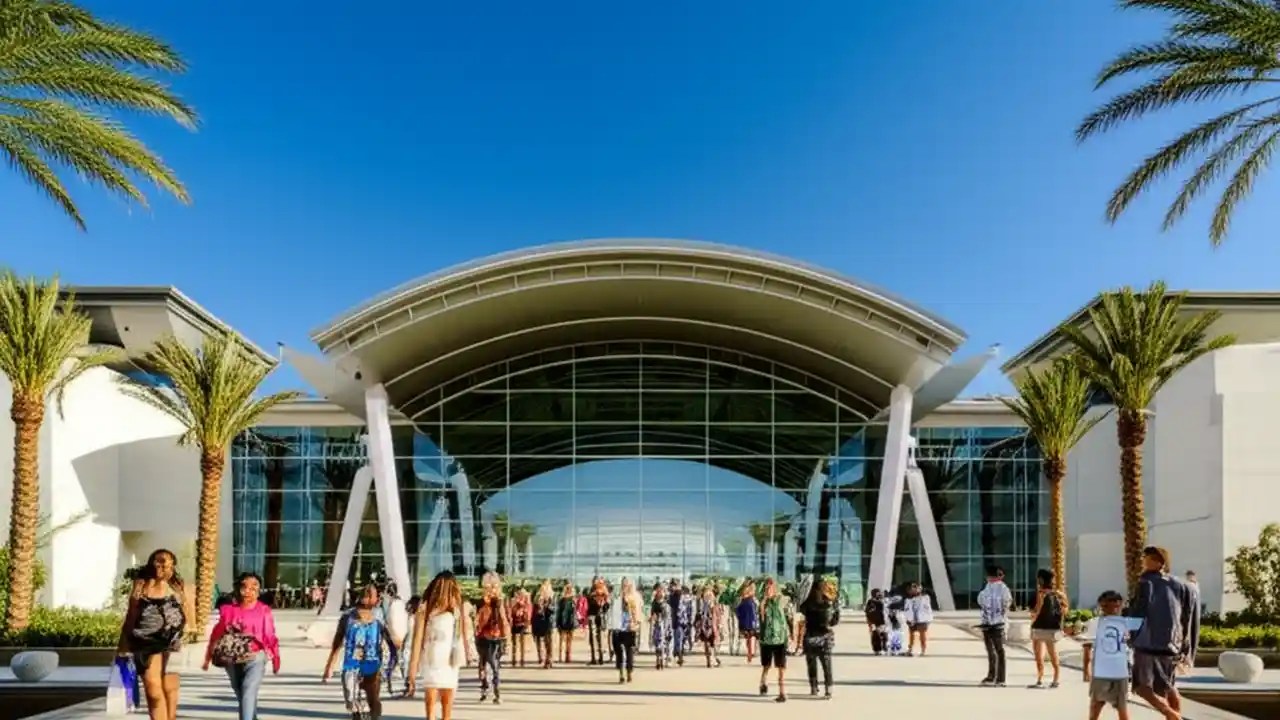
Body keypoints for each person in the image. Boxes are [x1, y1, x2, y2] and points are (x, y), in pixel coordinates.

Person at [118, 549, 194, 720]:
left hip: (172, 642)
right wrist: (123, 645)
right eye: (158, 562)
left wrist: (188, 636)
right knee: (153, 690)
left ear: (173, 566)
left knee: (168, 687)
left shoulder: (179, 586)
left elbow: (190, 617)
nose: (161, 566)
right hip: (144, 641)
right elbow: (131, 616)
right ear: (151, 563)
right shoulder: (140, 585)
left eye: (166, 563)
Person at [1129, 546, 1196, 720]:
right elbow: (1187, 617)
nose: (1144, 561)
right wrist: (1184, 644)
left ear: (1160, 562)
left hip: (1147, 643)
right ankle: (1174, 715)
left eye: (1147, 558)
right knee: (1168, 686)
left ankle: (1171, 714)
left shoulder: (1146, 582)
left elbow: (1138, 611)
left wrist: (1130, 634)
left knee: (1142, 688)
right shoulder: (1182, 585)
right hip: (1172, 644)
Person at [204, 572, 281, 720]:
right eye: (244, 587)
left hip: (255, 656)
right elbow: (217, 633)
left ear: (259, 592)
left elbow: (270, 635)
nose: (248, 591)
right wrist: (208, 656)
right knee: (241, 691)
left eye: (254, 588)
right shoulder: (227, 610)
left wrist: (276, 657)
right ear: (238, 588)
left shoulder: (264, 610)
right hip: (231, 657)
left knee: (248, 689)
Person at [322, 584, 398, 720]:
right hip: (351, 663)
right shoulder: (348, 617)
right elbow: (337, 641)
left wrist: (392, 661)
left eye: (371, 595)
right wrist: (330, 665)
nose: (368, 598)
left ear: (376, 599)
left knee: (372, 698)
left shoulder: (379, 617)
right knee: (351, 698)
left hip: (373, 663)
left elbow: (390, 641)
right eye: (366, 594)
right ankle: (357, 713)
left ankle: (374, 713)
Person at [406, 571, 472, 720]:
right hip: (439, 660)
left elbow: (417, 640)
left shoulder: (454, 610)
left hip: (445, 660)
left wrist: (412, 669)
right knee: (444, 707)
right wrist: (412, 669)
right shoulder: (427, 609)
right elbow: (418, 639)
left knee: (436, 706)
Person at [1083, 590, 1132, 720]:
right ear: (1102, 605)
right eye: (1110, 602)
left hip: (1120, 671)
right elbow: (1087, 646)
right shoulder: (1095, 623)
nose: (1114, 605)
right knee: (1096, 705)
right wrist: (1086, 670)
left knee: (1122, 707)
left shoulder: (1127, 623)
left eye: (1116, 601)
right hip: (1101, 672)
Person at [794, 576, 837, 699]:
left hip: (810, 636)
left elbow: (801, 613)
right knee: (827, 664)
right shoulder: (827, 604)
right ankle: (828, 689)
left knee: (811, 664)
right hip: (825, 637)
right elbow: (833, 622)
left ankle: (814, 687)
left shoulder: (807, 603)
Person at [473, 572, 510, 703]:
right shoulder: (480, 603)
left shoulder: (499, 602)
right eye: (488, 587)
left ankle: (496, 690)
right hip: (483, 637)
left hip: (496, 637)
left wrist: (506, 638)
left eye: (494, 586)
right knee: (483, 664)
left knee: (495, 665)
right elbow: (477, 620)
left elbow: (504, 620)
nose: (491, 590)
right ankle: (485, 687)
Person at [1029, 568, 1067, 689]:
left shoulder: (1040, 594)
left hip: (1039, 627)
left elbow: (1036, 611)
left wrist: (1033, 615)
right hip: (1052, 628)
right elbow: (1065, 610)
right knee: (1053, 653)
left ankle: (1040, 679)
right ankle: (1056, 678)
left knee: (1038, 654)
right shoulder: (1059, 594)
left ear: (1040, 579)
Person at [756, 577, 793, 702]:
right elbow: (761, 616)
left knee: (781, 667)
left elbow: (789, 617)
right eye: (766, 588)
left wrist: (792, 634)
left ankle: (782, 692)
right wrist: (765, 598)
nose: (768, 590)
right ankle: (763, 682)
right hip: (766, 640)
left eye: (770, 588)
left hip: (780, 639)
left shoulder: (781, 601)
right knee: (766, 665)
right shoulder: (763, 604)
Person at [976, 566, 1012, 687]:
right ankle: (1000, 678)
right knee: (999, 651)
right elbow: (1007, 603)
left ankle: (993, 676)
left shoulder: (986, 589)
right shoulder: (1004, 589)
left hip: (987, 623)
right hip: (999, 623)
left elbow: (980, 601)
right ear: (1000, 576)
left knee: (992, 651)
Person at [608, 577, 644, 682]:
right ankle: (621, 671)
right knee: (618, 649)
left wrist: (636, 622)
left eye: (627, 585)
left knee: (629, 651)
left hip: (630, 627)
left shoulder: (635, 597)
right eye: (624, 584)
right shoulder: (617, 596)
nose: (625, 586)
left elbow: (638, 611)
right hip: (617, 627)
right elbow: (612, 609)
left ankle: (628, 671)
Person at [695, 584, 723, 668]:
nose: (708, 595)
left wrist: (720, 624)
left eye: (710, 593)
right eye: (706, 593)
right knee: (706, 644)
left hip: (714, 626)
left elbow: (719, 615)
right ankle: (709, 660)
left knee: (714, 644)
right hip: (704, 626)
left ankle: (715, 657)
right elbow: (698, 615)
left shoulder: (715, 604)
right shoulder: (701, 604)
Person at [904, 582, 933, 657]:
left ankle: (923, 650)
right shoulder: (908, 599)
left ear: (920, 589)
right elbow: (906, 610)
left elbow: (928, 609)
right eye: (912, 588)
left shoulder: (925, 598)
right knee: (911, 635)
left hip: (922, 619)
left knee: (922, 635)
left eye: (915, 587)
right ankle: (910, 649)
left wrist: (928, 619)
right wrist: (908, 619)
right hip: (912, 619)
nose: (913, 589)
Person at [531, 581, 556, 668]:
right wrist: (539, 605)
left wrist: (546, 606)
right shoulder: (538, 598)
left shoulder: (552, 598)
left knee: (548, 642)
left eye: (546, 588)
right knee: (544, 642)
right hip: (540, 622)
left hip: (549, 622)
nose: (543, 590)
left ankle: (549, 660)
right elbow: (534, 610)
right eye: (542, 588)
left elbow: (553, 610)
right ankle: (545, 658)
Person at [586, 577, 610, 665]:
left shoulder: (604, 592)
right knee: (592, 637)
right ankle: (594, 657)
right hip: (592, 615)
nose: (596, 583)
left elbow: (607, 605)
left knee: (599, 636)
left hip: (598, 615)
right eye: (594, 581)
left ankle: (600, 657)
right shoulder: (591, 591)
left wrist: (602, 604)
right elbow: (588, 601)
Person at [736, 580, 760, 663]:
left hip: (752, 616)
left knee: (752, 636)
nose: (754, 588)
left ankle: (751, 652)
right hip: (746, 615)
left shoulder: (754, 598)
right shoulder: (746, 593)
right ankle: (750, 652)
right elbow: (742, 598)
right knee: (748, 636)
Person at [649, 584, 673, 669]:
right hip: (657, 625)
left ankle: (667, 658)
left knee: (667, 641)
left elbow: (668, 615)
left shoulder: (667, 602)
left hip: (666, 624)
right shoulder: (654, 603)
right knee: (657, 643)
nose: (660, 593)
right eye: (658, 591)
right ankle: (658, 658)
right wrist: (653, 619)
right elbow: (652, 615)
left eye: (661, 591)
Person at [509, 588, 532, 667]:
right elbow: (511, 611)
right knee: (514, 643)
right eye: (519, 594)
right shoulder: (513, 601)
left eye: (522, 594)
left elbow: (528, 612)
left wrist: (522, 606)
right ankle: (514, 659)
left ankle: (522, 660)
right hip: (515, 623)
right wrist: (516, 604)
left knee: (522, 642)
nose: (520, 595)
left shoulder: (526, 602)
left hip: (522, 623)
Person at [556, 584, 579, 663]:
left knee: (569, 639)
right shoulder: (562, 600)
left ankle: (567, 656)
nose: (569, 590)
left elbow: (575, 611)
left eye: (570, 589)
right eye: (568, 589)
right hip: (564, 621)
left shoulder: (573, 599)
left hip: (570, 621)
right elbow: (558, 611)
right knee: (563, 639)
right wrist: (557, 622)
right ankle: (561, 656)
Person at [863, 588, 888, 656]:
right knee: (876, 636)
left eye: (879, 593)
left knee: (884, 636)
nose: (879, 595)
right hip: (875, 621)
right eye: (877, 593)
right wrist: (869, 622)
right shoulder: (871, 602)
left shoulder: (884, 601)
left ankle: (884, 649)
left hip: (883, 621)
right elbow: (867, 612)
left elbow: (887, 610)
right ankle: (877, 649)